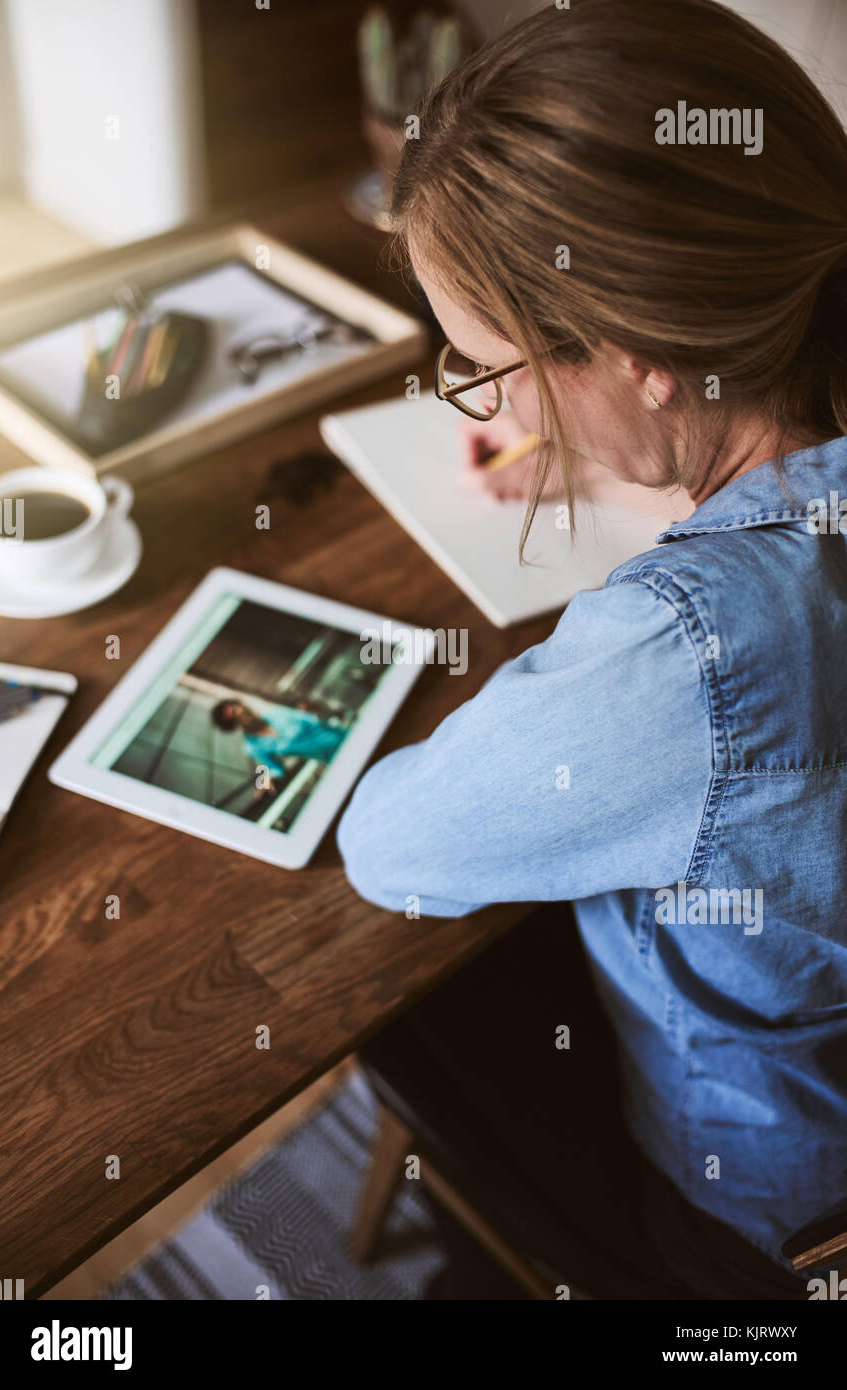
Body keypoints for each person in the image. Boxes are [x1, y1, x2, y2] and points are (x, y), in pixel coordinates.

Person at [336, 0, 847, 1292]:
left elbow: (392, 845)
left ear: (635, 358)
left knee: (413, 1010)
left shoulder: (690, 648)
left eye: (481, 365)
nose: (489, 407)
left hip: (767, 1225)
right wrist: (616, 445)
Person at [211, 696, 346, 784]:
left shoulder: (278, 713)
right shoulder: (253, 747)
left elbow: (317, 721)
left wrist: (315, 711)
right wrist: (267, 779)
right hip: (334, 760)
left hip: (344, 738)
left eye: (240, 707)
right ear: (235, 724)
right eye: (236, 714)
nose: (242, 711)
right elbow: (276, 769)